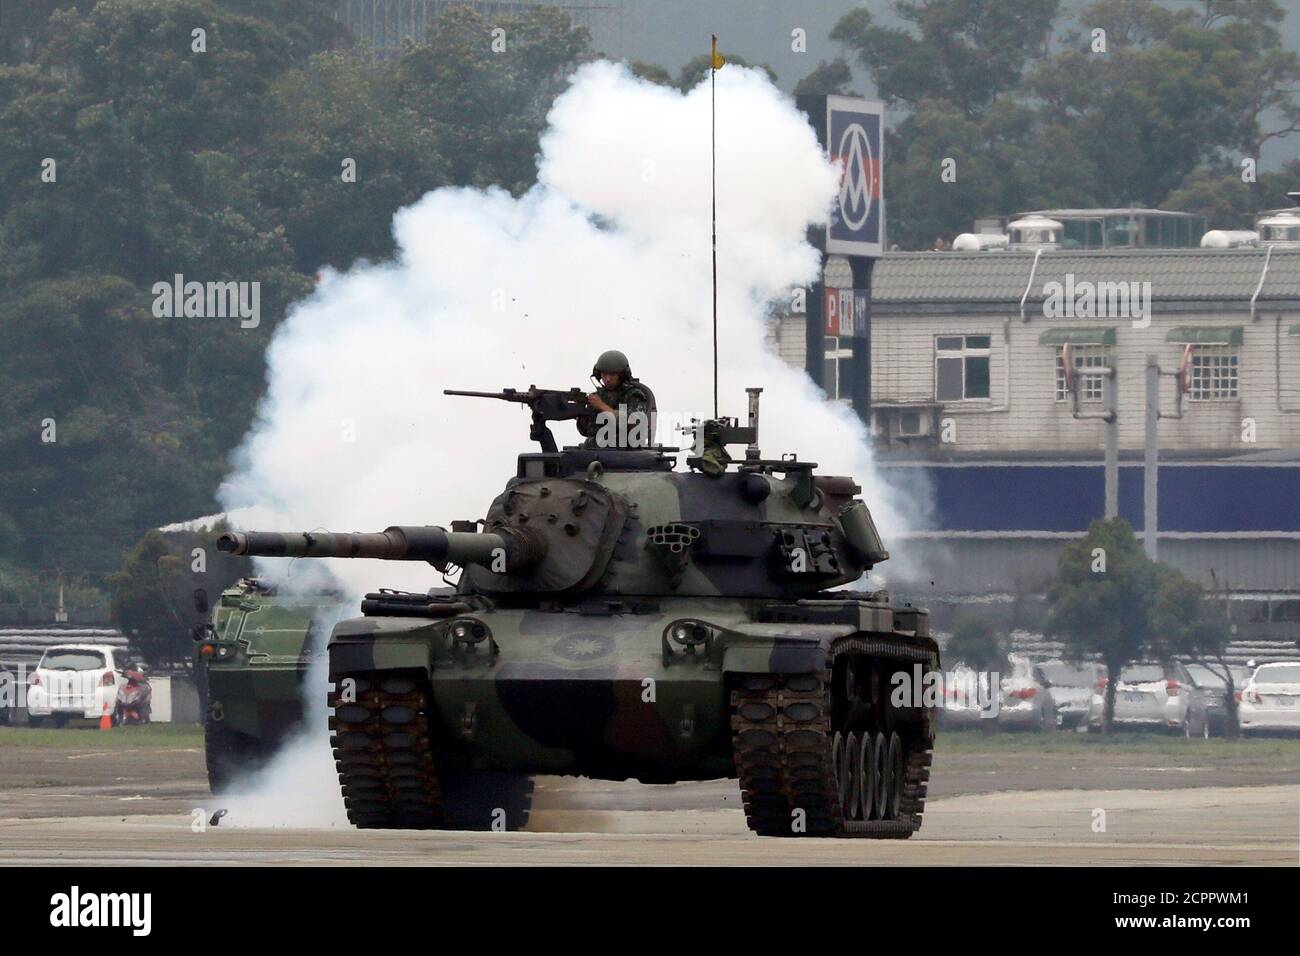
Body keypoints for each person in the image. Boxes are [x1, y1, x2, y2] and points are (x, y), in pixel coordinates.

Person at [578, 350, 656, 449]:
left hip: (625, 452)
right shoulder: (597, 397)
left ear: (622, 375)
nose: (608, 379)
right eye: (604, 374)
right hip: (595, 450)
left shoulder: (634, 395)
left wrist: (602, 406)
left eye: (612, 375)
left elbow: (634, 424)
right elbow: (588, 431)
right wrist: (582, 418)